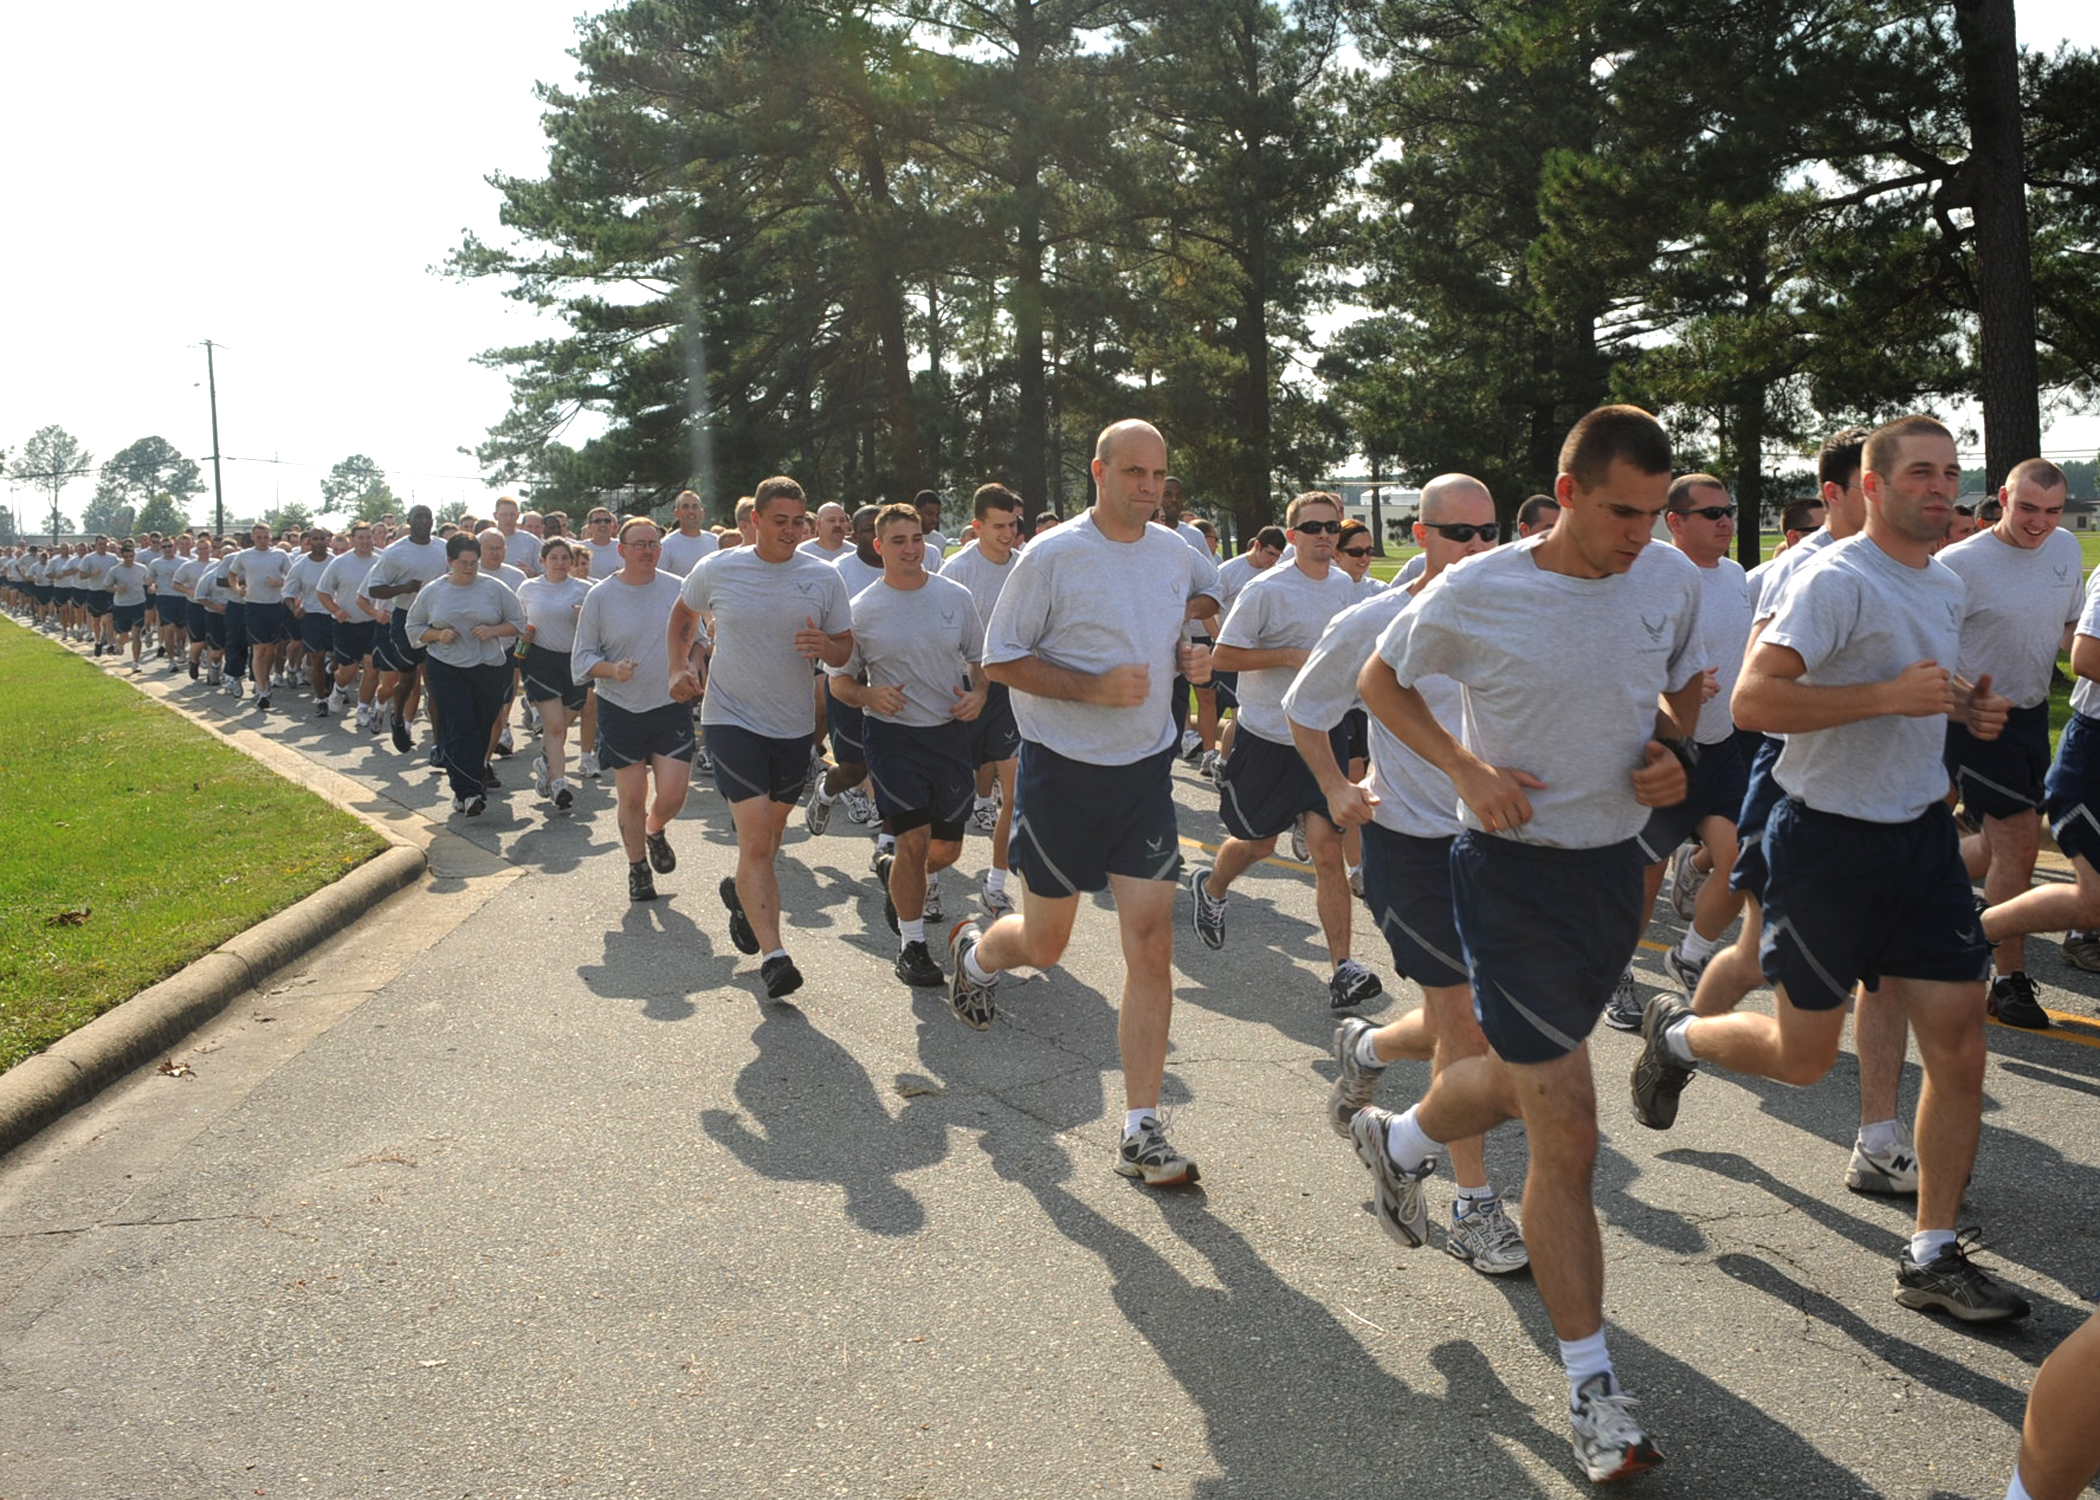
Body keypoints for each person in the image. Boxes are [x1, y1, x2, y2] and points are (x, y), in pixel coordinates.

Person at [1350, 406, 1699, 1483]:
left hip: (1612, 870)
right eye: (1623, 511)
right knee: (1571, 1130)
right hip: (1507, 875)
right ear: (1571, 489)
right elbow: (1381, 681)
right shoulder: (1481, 586)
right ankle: (1595, 1388)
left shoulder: (1668, 579)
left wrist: (1669, 753)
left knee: (1511, 1075)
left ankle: (1399, 1139)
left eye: (1656, 511)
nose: (1644, 532)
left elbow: (1678, 696)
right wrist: (1463, 767)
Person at [1632, 413, 2030, 1327]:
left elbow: (1916, 681)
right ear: (1874, 486)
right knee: (1806, 1058)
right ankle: (1680, 1038)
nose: (1941, 488)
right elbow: (1756, 697)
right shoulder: (1833, 577)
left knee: (1961, 1046)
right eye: (1921, 474)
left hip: (1921, 836)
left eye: (1951, 473)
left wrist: (1965, 707)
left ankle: (1931, 1252)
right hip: (1827, 841)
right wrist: (1891, 697)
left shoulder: (1939, 580)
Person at [948, 419, 1221, 1186]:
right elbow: (1002, 660)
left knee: (1151, 945)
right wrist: (1092, 688)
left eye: (1158, 474)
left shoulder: (1175, 553)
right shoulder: (1054, 554)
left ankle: (1141, 1130)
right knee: (1047, 944)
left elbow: (1188, 634)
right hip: (1061, 774)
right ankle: (976, 953)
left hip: (1143, 777)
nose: (1148, 487)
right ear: (1098, 471)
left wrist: (1194, 657)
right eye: (1133, 472)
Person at [1284, 474, 1529, 1276]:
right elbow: (1304, 708)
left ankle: (1369, 1047)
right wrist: (1334, 788)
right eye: (1459, 534)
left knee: (1470, 1015)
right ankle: (1475, 1205)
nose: (1478, 548)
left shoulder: (1520, 612)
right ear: (1419, 537)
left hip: (1503, 848)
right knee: (1464, 1022)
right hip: (1412, 845)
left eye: (1490, 531)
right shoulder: (1376, 619)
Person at [1189, 491, 1379, 1008]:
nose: (1324, 535)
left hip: (1326, 737)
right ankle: (1212, 888)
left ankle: (1342, 968)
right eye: (1313, 527)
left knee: (1327, 852)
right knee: (1257, 845)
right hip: (1268, 739)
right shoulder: (1266, 590)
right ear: (1291, 535)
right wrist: (1291, 655)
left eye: (1331, 528)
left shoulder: (1348, 589)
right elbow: (1224, 654)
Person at [669, 478, 853, 1000]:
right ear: (755, 521)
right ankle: (776, 956)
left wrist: (827, 646)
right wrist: (675, 667)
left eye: (800, 522)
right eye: (781, 521)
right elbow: (683, 614)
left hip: (794, 726)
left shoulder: (823, 577)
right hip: (730, 718)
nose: (792, 531)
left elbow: (844, 648)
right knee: (754, 840)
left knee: (769, 840)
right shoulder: (719, 568)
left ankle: (740, 893)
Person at [1604, 475, 1754, 1030]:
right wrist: (1680, 691)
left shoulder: (1738, 575)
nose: (1725, 521)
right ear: (1676, 522)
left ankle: (1689, 954)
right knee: (1643, 880)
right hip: (1664, 748)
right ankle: (1617, 976)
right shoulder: (1648, 577)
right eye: (1711, 512)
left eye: (1729, 510)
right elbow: (1619, 662)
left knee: (1744, 860)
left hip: (1721, 747)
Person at [1939, 459, 2083, 1029]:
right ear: (2002, 498)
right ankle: (2007, 980)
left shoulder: (2066, 548)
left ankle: (1913, 886)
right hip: (1973, 718)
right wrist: (1965, 702)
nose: (2039, 523)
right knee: (2020, 841)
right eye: (2027, 508)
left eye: (2051, 511)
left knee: (2001, 848)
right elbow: (1923, 652)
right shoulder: (1956, 565)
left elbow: (2070, 631)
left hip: (2026, 714)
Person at [826, 503, 987, 988]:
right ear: (879, 547)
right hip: (892, 738)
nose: (910, 549)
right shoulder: (863, 610)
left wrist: (978, 695)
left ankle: (894, 870)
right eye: (898, 541)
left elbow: (981, 662)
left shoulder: (955, 597)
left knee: (946, 852)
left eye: (916, 539)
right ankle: (912, 946)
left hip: (948, 735)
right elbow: (840, 683)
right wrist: (869, 694)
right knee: (914, 840)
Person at [576, 518, 696, 899]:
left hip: (669, 703)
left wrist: (690, 668)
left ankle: (654, 828)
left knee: (674, 793)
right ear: (621, 550)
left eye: (654, 544)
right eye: (639, 544)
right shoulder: (601, 596)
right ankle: (637, 868)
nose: (648, 551)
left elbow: (698, 641)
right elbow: (581, 659)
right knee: (631, 796)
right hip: (620, 706)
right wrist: (612, 669)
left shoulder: (678, 590)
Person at [939, 485, 1026, 915]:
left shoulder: (1026, 568)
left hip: (1009, 691)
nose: (1008, 533)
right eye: (998, 526)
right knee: (950, 796)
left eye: (1013, 525)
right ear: (977, 527)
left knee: (1015, 792)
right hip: (959, 690)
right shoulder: (956, 571)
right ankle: (929, 875)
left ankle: (995, 885)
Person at [405, 533, 526, 814]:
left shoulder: (494, 589)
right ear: (449, 561)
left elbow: (519, 622)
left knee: (483, 726)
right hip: (446, 666)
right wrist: (437, 634)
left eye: (474, 562)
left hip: (487, 667)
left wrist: (493, 630)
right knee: (461, 725)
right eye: (464, 563)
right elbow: (413, 628)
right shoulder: (433, 591)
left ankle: (465, 785)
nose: (470, 568)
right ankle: (470, 791)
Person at [359, 506, 448, 755]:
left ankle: (439, 745)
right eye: (418, 517)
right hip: (406, 619)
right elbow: (374, 590)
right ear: (409, 521)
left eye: (427, 517)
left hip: (437, 620)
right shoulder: (394, 552)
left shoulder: (442, 548)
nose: (423, 521)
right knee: (407, 681)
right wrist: (404, 588)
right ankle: (398, 718)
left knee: (435, 685)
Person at [516, 536, 594, 810]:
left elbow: (599, 626)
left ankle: (546, 762)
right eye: (554, 558)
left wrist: (585, 615)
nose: (560, 563)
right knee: (556, 726)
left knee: (563, 722)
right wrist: (522, 632)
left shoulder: (585, 589)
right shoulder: (528, 588)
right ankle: (560, 784)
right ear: (543, 561)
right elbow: (518, 621)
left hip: (574, 662)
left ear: (572, 562)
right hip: (540, 661)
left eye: (565, 558)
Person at [317, 523, 381, 728]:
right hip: (346, 623)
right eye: (360, 538)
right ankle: (339, 688)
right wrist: (336, 611)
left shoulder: (381, 562)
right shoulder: (340, 563)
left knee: (372, 667)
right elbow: (322, 592)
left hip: (373, 623)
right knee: (349, 670)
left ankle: (362, 708)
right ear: (352, 541)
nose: (365, 541)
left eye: (368, 537)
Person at [227, 523, 292, 711]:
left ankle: (264, 679)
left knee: (271, 649)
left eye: (266, 537)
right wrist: (237, 589)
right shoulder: (244, 555)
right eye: (260, 537)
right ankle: (262, 689)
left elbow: (293, 576)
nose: (263, 540)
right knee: (258, 649)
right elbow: (231, 574)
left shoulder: (279, 555)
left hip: (274, 606)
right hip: (253, 606)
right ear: (253, 538)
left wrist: (279, 582)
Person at [284, 529, 338, 715]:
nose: (319, 542)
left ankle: (331, 673)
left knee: (340, 659)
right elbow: (288, 592)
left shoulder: (336, 562)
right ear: (309, 541)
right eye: (315, 539)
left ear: (327, 541)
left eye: (322, 538)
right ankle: (322, 698)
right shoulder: (301, 565)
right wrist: (294, 609)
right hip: (311, 615)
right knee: (316, 657)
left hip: (334, 615)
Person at [103, 543, 153, 669]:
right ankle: (119, 643)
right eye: (126, 557)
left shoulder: (142, 568)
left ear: (134, 556)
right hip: (122, 606)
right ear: (122, 556)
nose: (129, 559)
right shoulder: (115, 570)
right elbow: (106, 586)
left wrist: (151, 586)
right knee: (124, 635)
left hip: (138, 604)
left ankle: (136, 662)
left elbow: (147, 581)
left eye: (131, 556)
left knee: (136, 633)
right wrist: (117, 589)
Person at [658, 489, 720, 576]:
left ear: (702, 512)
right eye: (685, 507)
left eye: (695, 507)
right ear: (677, 513)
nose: (691, 511)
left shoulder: (716, 541)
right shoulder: (666, 545)